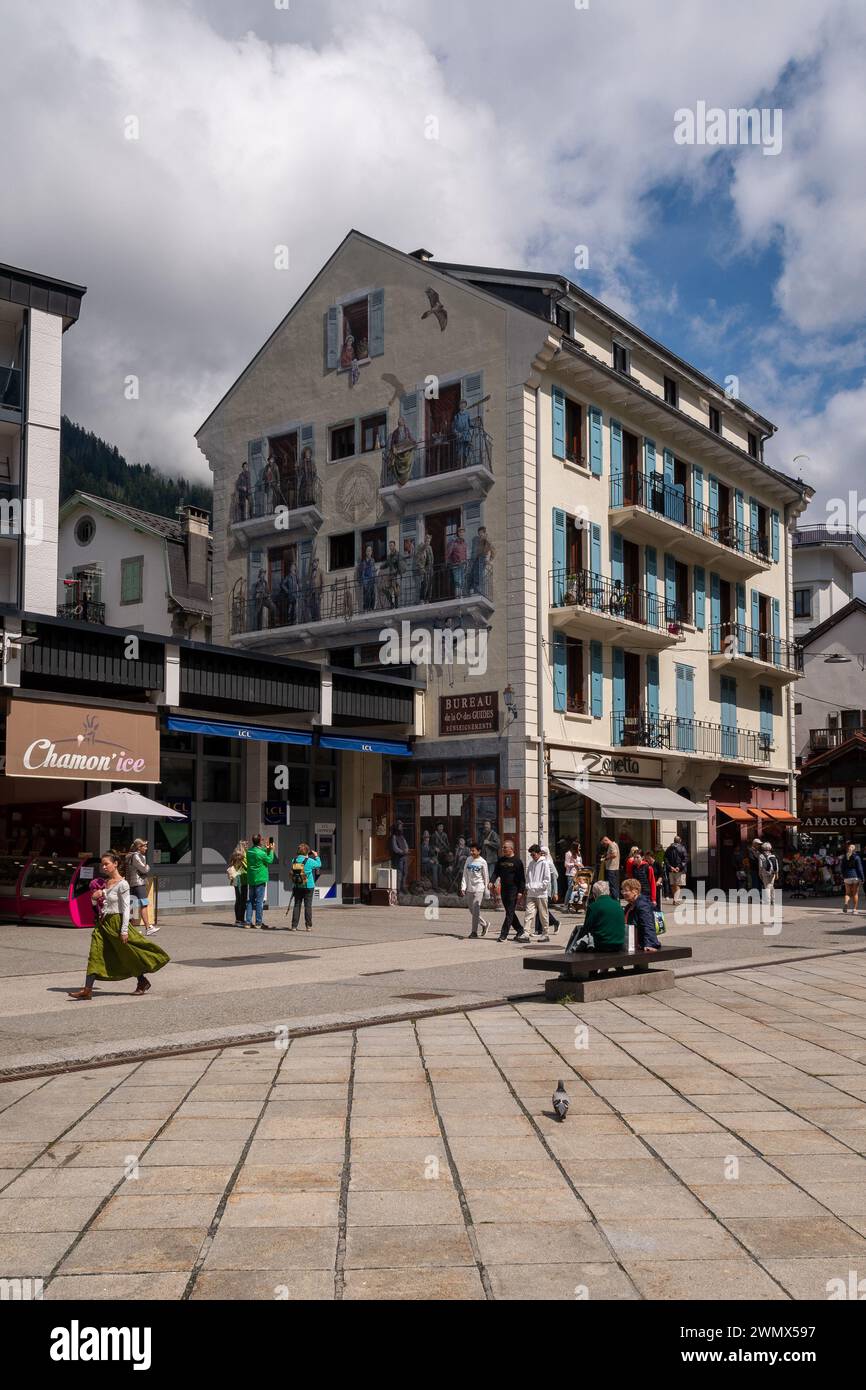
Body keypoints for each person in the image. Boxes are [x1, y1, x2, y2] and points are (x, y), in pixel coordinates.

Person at [68, 850, 169, 1000]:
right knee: (95, 953)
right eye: (102, 865)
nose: (104, 867)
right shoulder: (105, 883)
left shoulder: (123, 884)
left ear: (115, 864)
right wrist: (94, 899)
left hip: (117, 922)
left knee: (126, 954)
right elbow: (99, 906)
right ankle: (88, 990)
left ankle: (142, 981)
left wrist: (124, 931)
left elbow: (126, 909)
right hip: (103, 923)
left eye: (106, 864)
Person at [567, 880, 626, 953]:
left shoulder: (593, 906)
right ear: (609, 892)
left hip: (601, 945)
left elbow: (587, 927)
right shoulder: (617, 905)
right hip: (619, 944)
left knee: (579, 940)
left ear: (594, 894)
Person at [490, 841, 526, 941]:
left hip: (513, 890)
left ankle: (503, 934)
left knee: (509, 912)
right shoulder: (501, 860)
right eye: (503, 847)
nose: (503, 849)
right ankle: (520, 930)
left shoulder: (517, 861)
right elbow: (495, 872)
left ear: (511, 848)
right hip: (504, 889)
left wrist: (520, 892)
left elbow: (522, 879)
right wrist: (491, 881)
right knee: (509, 912)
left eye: (505, 847)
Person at [126, 838, 158, 935]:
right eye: (144, 846)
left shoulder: (131, 855)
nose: (146, 848)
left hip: (132, 883)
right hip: (138, 883)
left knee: (132, 906)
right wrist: (147, 866)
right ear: (139, 847)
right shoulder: (136, 856)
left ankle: (129, 929)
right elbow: (144, 869)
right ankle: (148, 928)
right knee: (143, 905)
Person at [244, 833, 276, 929]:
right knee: (259, 901)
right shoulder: (260, 853)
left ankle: (248, 922)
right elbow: (270, 860)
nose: (263, 841)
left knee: (250, 900)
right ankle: (258, 923)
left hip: (251, 879)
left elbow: (260, 852)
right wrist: (272, 850)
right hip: (260, 879)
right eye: (262, 840)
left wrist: (267, 849)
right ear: (259, 841)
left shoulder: (249, 851)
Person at [621, 876, 661, 951]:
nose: (623, 893)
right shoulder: (629, 906)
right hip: (632, 943)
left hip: (641, 945)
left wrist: (649, 944)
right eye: (622, 890)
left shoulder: (642, 905)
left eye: (626, 890)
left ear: (635, 891)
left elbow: (647, 924)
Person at [290, 841, 322, 931]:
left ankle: (294, 926)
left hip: (297, 886)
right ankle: (308, 926)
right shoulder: (309, 861)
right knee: (308, 906)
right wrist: (316, 856)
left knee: (297, 905)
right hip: (308, 886)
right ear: (307, 852)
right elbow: (319, 864)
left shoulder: (294, 860)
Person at [461, 843, 491, 938]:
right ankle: (484, 924)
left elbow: (486, 877)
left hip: (479, 888)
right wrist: (463, 887)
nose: (471, 852)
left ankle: (474, 932)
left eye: (473, 850)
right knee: (471, 910)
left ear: (479, 851)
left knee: (476, 909)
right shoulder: (468, 860)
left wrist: (486, 890)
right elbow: (465, 874)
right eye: (471, 850)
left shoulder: (483, 862)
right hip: (470, 888)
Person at [524, 844, 552, 942]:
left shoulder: (544, 863)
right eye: (531, 855)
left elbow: (546, 880)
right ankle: (526, 933)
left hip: (541, 893)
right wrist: (528, 886)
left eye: (534, 854)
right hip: (531, 893)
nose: (532, 856)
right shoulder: (531, 864)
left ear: (539, 853)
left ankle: (545, 933)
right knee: (529, 913)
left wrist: (537, 887)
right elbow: (527, 877)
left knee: (543, 914)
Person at [540, 846, 561, 934]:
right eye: (541, 853)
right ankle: (554, 923)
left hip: (547, 890)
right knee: (541, 909)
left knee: (542, 909)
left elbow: (554, 878)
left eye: (544, 853)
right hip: (539, 889)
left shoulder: (549, 863)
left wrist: (555, 892)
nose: (542, 855)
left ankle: (540, 929)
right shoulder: (539, 862)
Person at [227, 842, 247, 927]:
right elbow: (247, 866)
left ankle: (238, 919)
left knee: (238, 899)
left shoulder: (234, 855)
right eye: (246, 845)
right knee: (242, 900)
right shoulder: (242, 855)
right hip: (241, 879)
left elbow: (231, 864)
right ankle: (240, 920)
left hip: (236, 879)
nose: (247, 847)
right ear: (242, 846)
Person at [842, 842, 864, 914]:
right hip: (855, 877)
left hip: (847, 877)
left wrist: (843, 876)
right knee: (855, 894)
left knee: (847, 893)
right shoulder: (857, 857)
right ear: (854, 850)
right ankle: (854, 910)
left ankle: (846, 903)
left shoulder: (844, 857)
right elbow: (860, 868)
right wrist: (862, 878)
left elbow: (842, 868)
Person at [665, 836, 688, 904]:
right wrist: (679, 867)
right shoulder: (682, 848)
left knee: (673, 885)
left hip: (671, 870)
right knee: (678, 885)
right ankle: (675, 900)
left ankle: (675, 899)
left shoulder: (669, 848)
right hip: (679, 870)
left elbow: (665, 859)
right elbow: (685, 858)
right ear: (680, 840)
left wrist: (670, 867)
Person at [563, 840, 583, 912]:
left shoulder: (578, 853)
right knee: (570, 889)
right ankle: (566, 905)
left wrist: (581, 866)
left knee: (577, 890)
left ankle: (573, 905)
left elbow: (580, 862)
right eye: (579, 846)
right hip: (571, 874)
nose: (580, 848)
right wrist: (574, 864)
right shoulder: (568, 854)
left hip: (578, 873)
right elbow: (566, 864)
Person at [758, 840, 779, 909]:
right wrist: (776, 874)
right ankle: (774, 901)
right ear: (770, 848)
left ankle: (768, 902)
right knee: (772, 886)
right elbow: (777, 866)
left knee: (766, 887)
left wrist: (760, 873)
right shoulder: (773, 855)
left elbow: (761, 866)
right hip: (773, 873)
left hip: (765, 873)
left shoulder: (761, 856)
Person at [447, 526, 467, 598]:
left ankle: (461, 595)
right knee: (457, 581)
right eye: (460, 532)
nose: (462, 533)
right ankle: (457, 596)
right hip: (456, 564)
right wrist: (450, 562)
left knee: (462, 581)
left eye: (463, 532)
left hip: (463, 564)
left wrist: (465, 562)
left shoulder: (464, 543)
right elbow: (449, 553)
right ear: (458, 533)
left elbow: (465, 554)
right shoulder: (454, 542)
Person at [383, 539, 404, 608]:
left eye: (391, 545)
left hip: (396, 575)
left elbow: (400, 565)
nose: (390, 547)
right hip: (390, 575)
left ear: (394, 546)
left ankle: (396, 606)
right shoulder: (389, 556)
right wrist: (380, 567)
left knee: (396, 591)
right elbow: (386, 564)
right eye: (389, 546)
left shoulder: (398, 555)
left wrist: (399, 574)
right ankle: (392, 604)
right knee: (385, 589)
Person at [390, 821, 409, 894]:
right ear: (396, 827)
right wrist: (402, 851)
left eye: (401, 826)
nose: (401, 828)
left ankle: (403, 887)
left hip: (405, 857)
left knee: (405, 872)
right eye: (400, 826)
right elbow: (395, 848)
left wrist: (407, 850)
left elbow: (406, 844)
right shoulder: (394, 837)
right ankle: (398, 889)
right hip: (398, 858)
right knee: (399, 873)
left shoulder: (402, 836)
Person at [358, 544, 377, 612]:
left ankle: (372, 608)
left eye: (370, 551)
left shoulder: (373, 560)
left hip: (372, 579)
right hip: (366, 580)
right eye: (367, 551)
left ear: (371, 552)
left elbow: (373, 570)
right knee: (367, 595)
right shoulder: (363, 563)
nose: (369, 552)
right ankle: (366, 608)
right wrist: (361, 581)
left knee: (373, 595)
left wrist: (375, 578)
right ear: (366, 552)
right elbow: (360, 573)